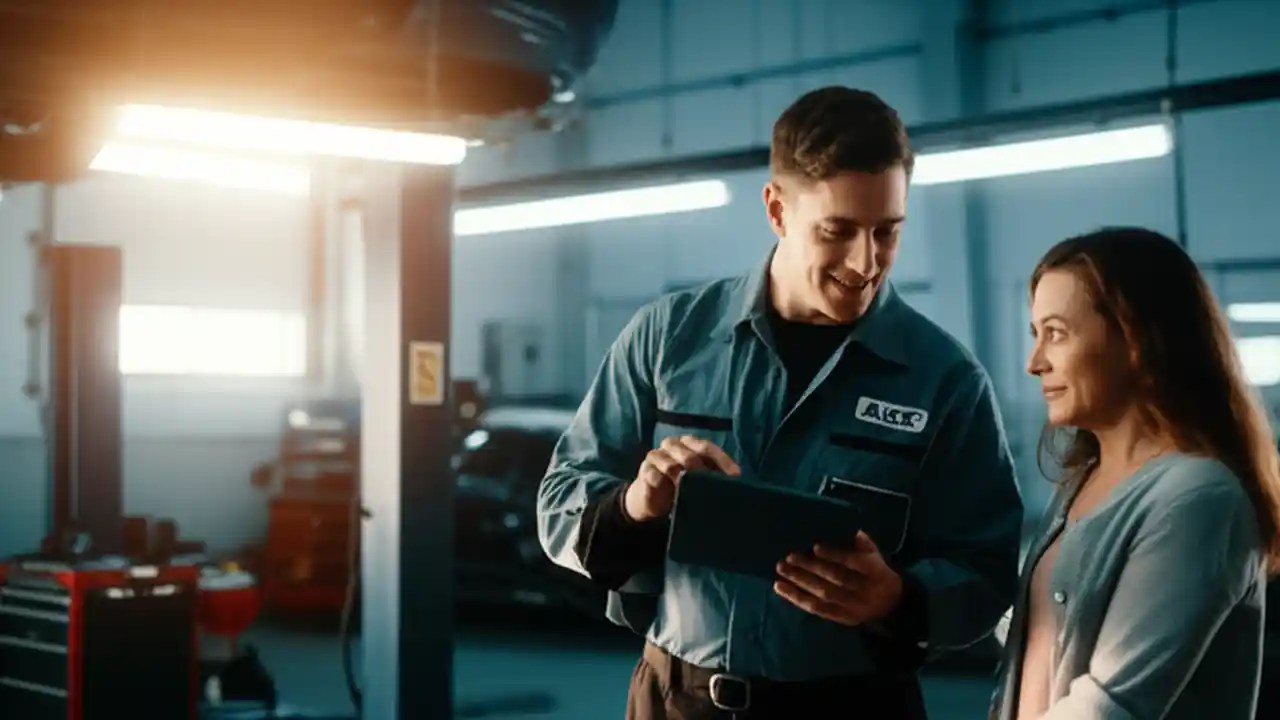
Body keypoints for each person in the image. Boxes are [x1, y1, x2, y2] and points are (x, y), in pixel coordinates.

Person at [537, 85, 1024, 719]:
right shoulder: (668, 339)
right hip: (677, 702)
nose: (865, 262)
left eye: (887, 231)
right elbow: (559, 502)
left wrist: (897, 598)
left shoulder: (945, 381)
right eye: (837, 231)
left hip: (852, 709)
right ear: (776, 209)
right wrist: (636, 504)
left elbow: (988, 570)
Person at [992, 228, 1280, 720]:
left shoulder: (1198, 498)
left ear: (1135, 340)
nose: (1034, 363)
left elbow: (1110, 706)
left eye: (1056, 333)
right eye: (1035, 334)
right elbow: (1044, 642)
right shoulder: (1081, 483)